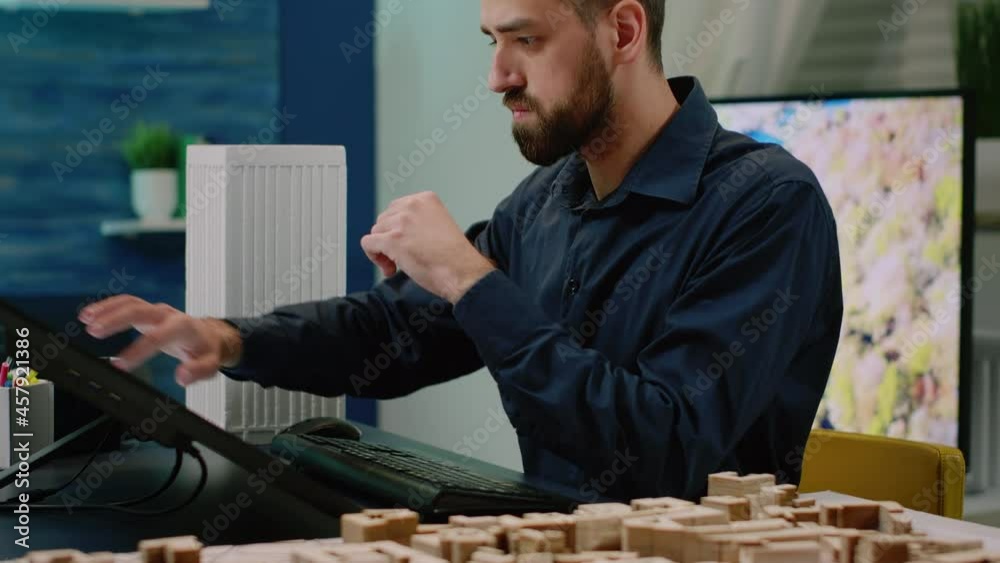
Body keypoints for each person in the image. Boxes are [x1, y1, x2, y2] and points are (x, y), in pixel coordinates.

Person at [78, 0, 843, 501]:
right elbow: (391, 333)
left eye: (526, 41)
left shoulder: (769, 203)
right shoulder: (547, 200)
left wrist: (471, 278)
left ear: (624, 31)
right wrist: (228, 336)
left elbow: (667, 448)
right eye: (492, 41)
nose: (497, 76)